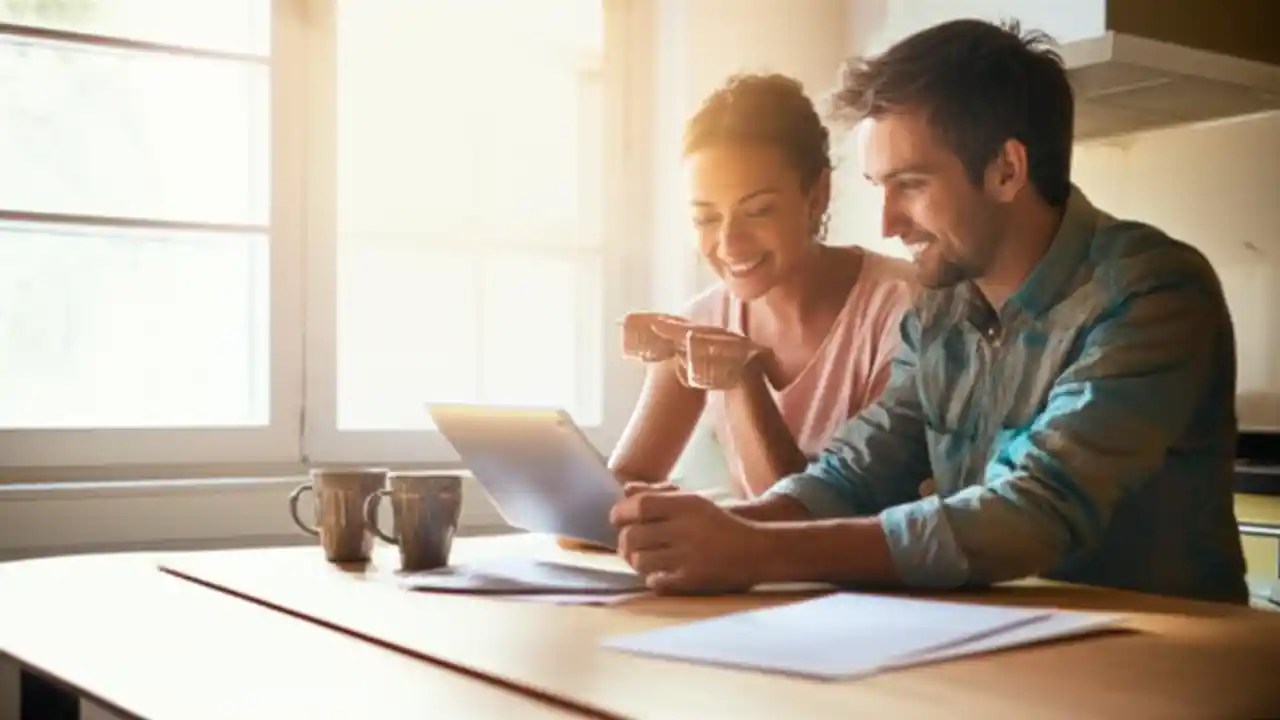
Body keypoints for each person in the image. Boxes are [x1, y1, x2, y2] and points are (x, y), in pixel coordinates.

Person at [609, 19, 1248, 603]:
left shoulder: (1150, 292)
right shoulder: (940, 312)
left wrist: (756, 549)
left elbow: (1032, 508)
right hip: (1009, 645)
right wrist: (712, 529)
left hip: (1164, 653)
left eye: (910, 185)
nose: (887, 223)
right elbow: (853, 475)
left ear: (1006, 169)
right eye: (879, 189)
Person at [609, 74, 917, 500]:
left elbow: (810, 521)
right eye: (706, 218)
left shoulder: (902, 309)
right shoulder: (701, 322)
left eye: (757, 211)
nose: (729, 243)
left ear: (817, 197)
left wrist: (742, 379)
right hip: (755, 566)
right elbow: (612, 497)